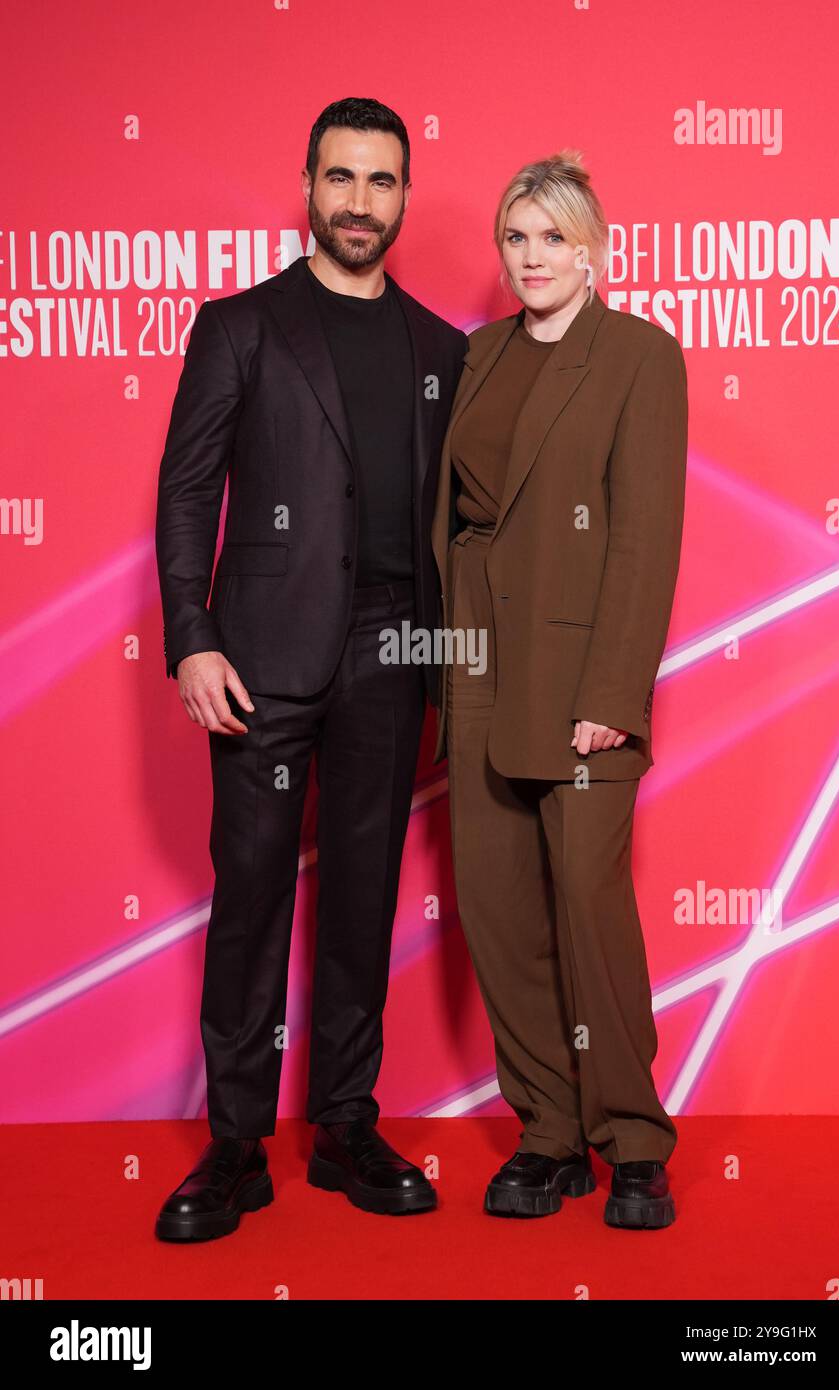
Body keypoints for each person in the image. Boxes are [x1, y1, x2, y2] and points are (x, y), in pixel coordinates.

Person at [154, 97, 467, 1239]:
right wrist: (189, 632)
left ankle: (342, 1123)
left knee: (363, 895)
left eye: (381, 182)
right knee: (247, 899)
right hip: (259, 658)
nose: (359, 202)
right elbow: (190, 487)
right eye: (341, 178)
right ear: (307, 186)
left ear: (402, 197)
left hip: (392, 653)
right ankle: (234, 1143)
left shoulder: (442, 348)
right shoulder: (238, 327)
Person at [430, 150, 688, 1228]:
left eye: (551, 237)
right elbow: (453, 520)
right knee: (495, 914)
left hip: (580, 675)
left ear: (589, 248)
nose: (530, 257)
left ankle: (630, 1135)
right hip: (479, 662)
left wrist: (612, 691)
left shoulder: (637, 355)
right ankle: (545, 1132)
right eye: (514, 237)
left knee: (585, 910)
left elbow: (642, 536)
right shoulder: (480, 353)